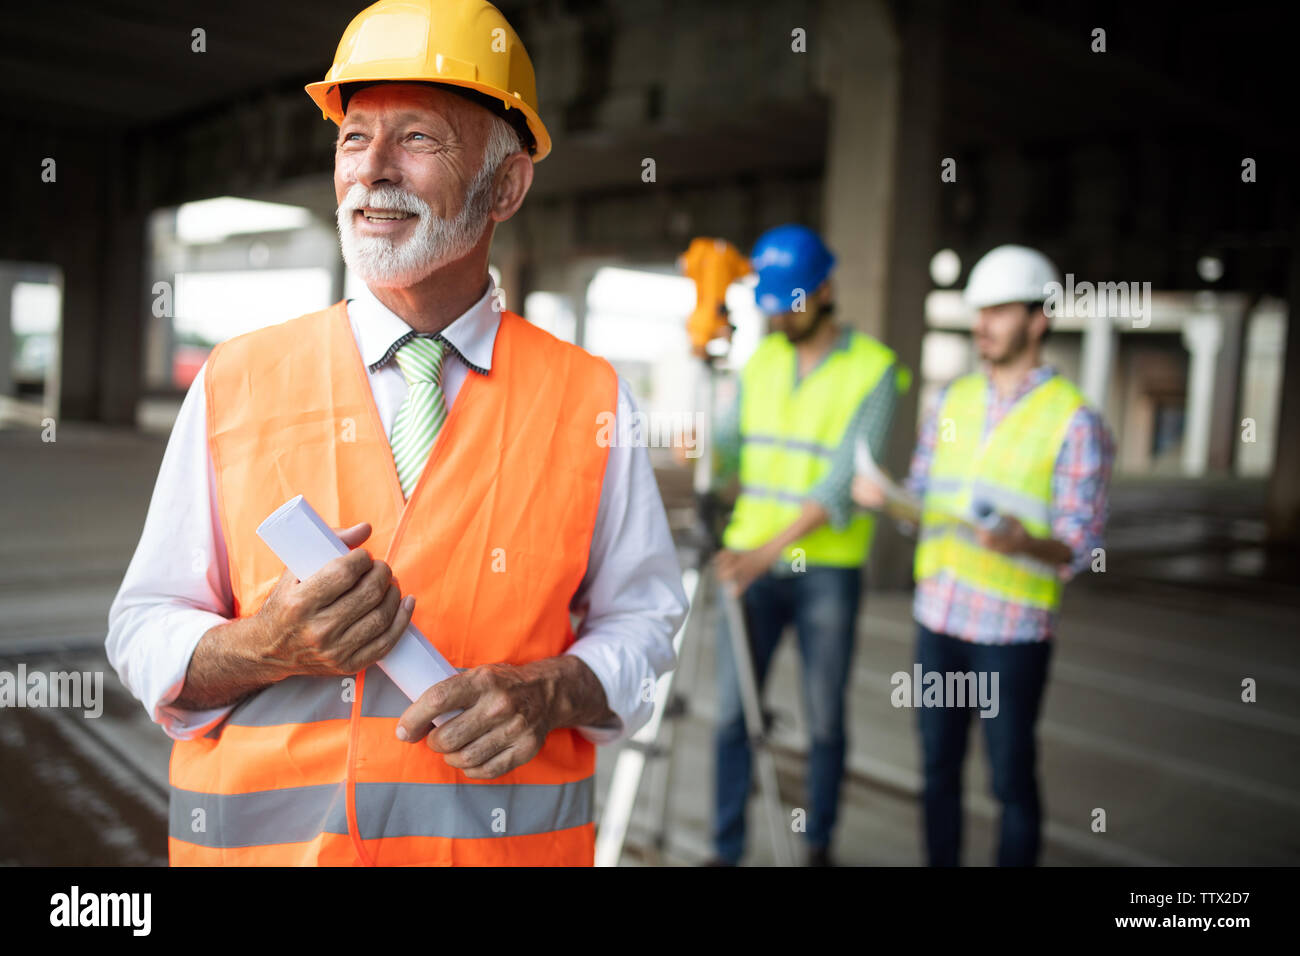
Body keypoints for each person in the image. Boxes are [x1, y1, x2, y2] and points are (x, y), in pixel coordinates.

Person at [106, 0, 687, 867]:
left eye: (417, 139)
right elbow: (142, 627)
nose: (372, 170)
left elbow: (646, 625)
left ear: (505, 185)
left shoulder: (588, 396)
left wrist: (554, 689)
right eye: (353, 138)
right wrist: (263, 647)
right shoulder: (238, 377)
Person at [853, 244, 1114, 866]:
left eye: (998, 311)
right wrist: (890, 499)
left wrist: (1026, 540)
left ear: (1038, 318)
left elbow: (1083, 545)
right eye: (979, 312)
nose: (983, 325)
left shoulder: (1075, 421)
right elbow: (925, 496)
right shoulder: (952, 402)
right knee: (937, 772)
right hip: (939, 619)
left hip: (1011, 633)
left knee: (1009, 783)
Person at [709, 224, 909, 865]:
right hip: (750, 565)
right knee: (732, 720)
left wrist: (765, 553)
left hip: (823, 567)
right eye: (771, 304)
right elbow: (728, 451)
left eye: (790, 302)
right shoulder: (761, 359)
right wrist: (705, 407)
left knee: (824, 723)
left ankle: (817, 844)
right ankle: (726, 849)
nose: (779, 316)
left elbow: (842, 484)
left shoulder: (874, 369)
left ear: (825, 290)